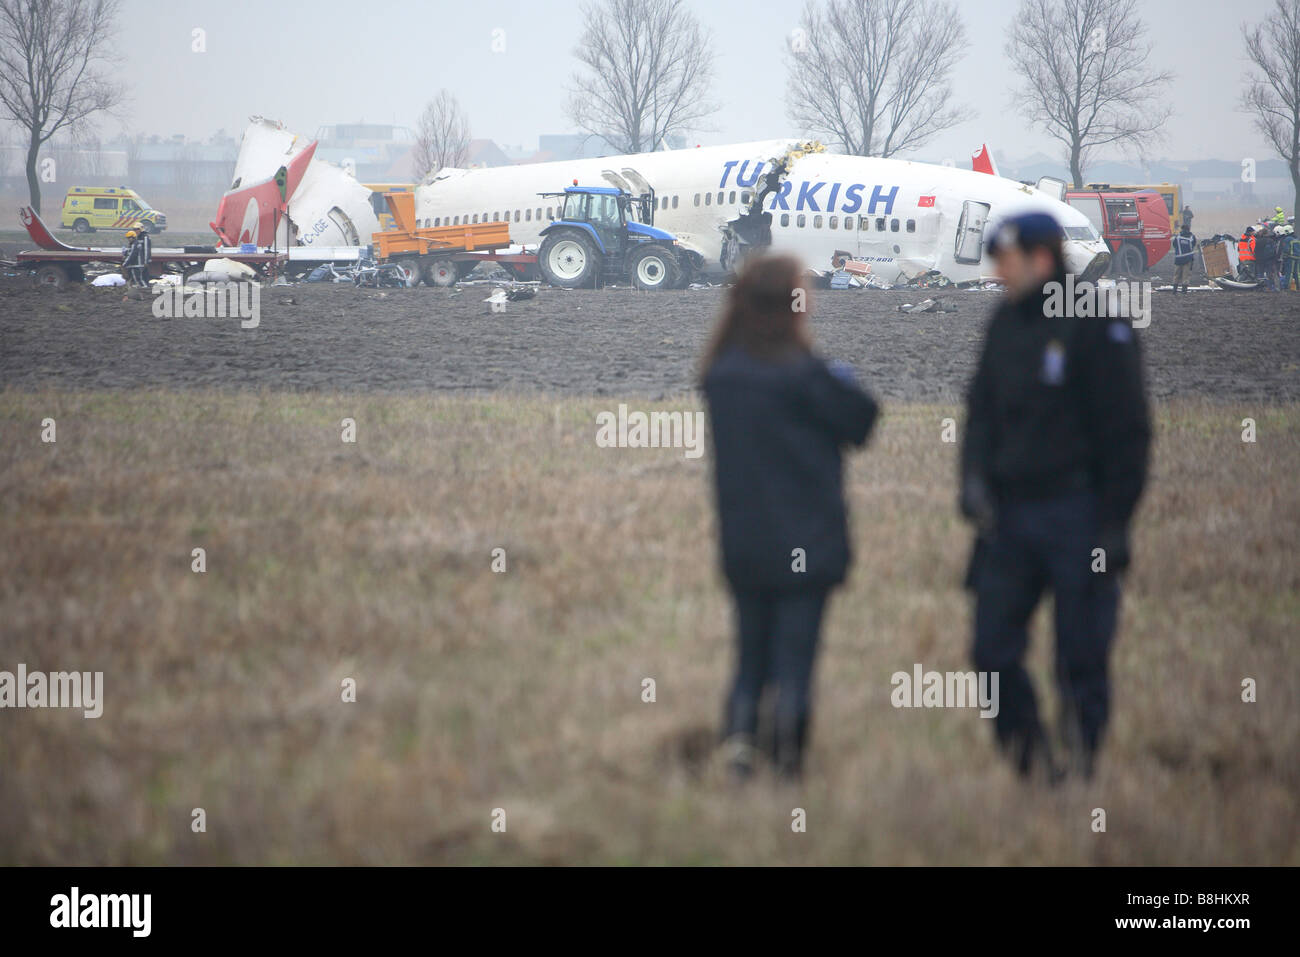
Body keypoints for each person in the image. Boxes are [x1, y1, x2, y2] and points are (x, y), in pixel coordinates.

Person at [960, 212, 1151, 782]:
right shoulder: (1004, 323)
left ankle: (1081, 764)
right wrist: (972, 481)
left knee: (1081, 656)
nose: (996, 275)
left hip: (1079, 516)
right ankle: (1034, 765)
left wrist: (1115, 523)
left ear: (1042, 260)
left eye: (1007, 262)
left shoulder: (1097, 327)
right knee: (991, 653)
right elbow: (980, 416)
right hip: (1010, 521)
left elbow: (1128, 435)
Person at [700, 253, 879, 781]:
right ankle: (787, 768)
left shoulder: (722, 374)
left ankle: (738, 753)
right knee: (794, 663)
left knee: (749, 661)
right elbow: (863, 420)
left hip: (746, 543)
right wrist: (829, 369)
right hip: (809, 542)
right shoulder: (806, 375)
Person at [1171, 224, 1197, 293]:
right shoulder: (1192, 237)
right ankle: (1184, 290)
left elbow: (1174, 245)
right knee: (1186, 275)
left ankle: (1174, 290)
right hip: (1188, 258)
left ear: (1182, 229)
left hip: (1178, 259)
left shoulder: (1178, 236)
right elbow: (1194, 244)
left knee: (1176, 274)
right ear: (1189, 229)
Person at [1255, 226, 1278, 291]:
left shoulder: (1258, 241)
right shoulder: (1270, 241)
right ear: (1267, 233)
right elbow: (1273, 251)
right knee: (1269, 274)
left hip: (1259, 260)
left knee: (1260, 274)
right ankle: (1270, 287)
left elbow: (1255, 251)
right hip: (1269, 260)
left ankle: (1260, 288)